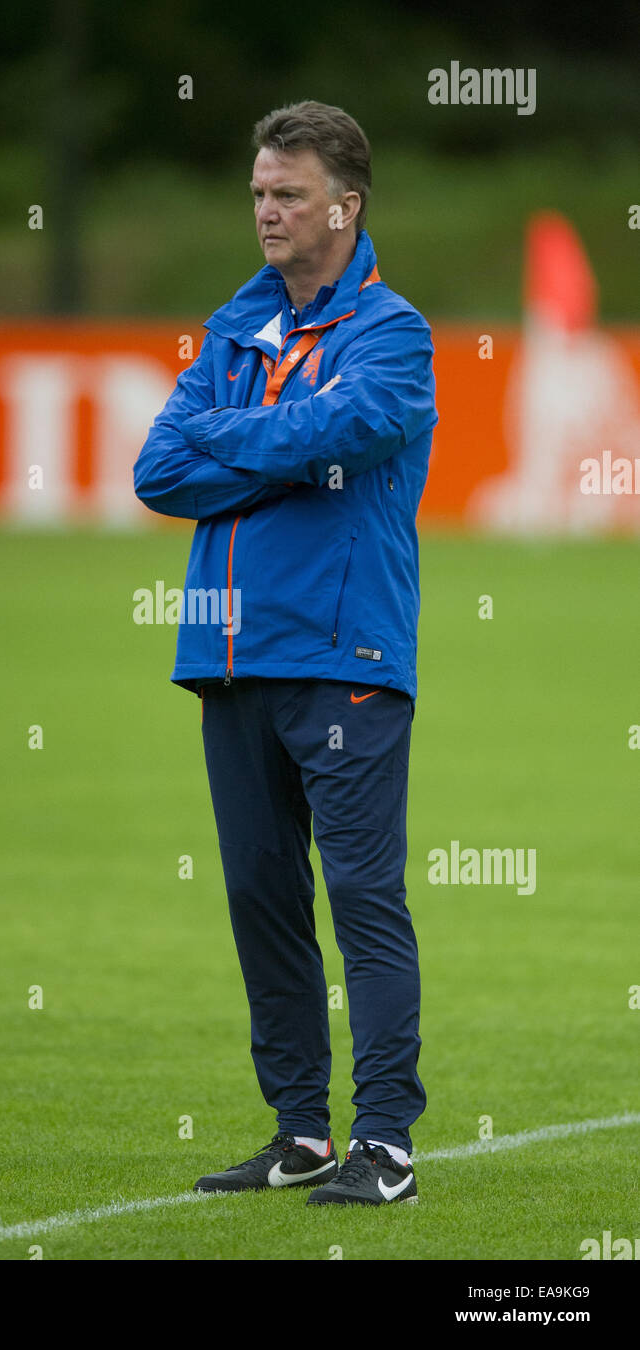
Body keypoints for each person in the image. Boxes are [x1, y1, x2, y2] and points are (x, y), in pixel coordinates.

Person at [133, 101, 437, 1207]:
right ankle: (302, 1130)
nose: (267, 209)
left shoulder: (394, 333)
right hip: (229, 659)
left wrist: (241, 437)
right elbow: (158, 472)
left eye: (289, 192)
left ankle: (388, 1142)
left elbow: (343, 434)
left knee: (362, 895)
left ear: (344, 207)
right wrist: (278, 445)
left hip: (346, 653)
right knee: (263, 897)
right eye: (260, 190)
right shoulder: (233, 331)